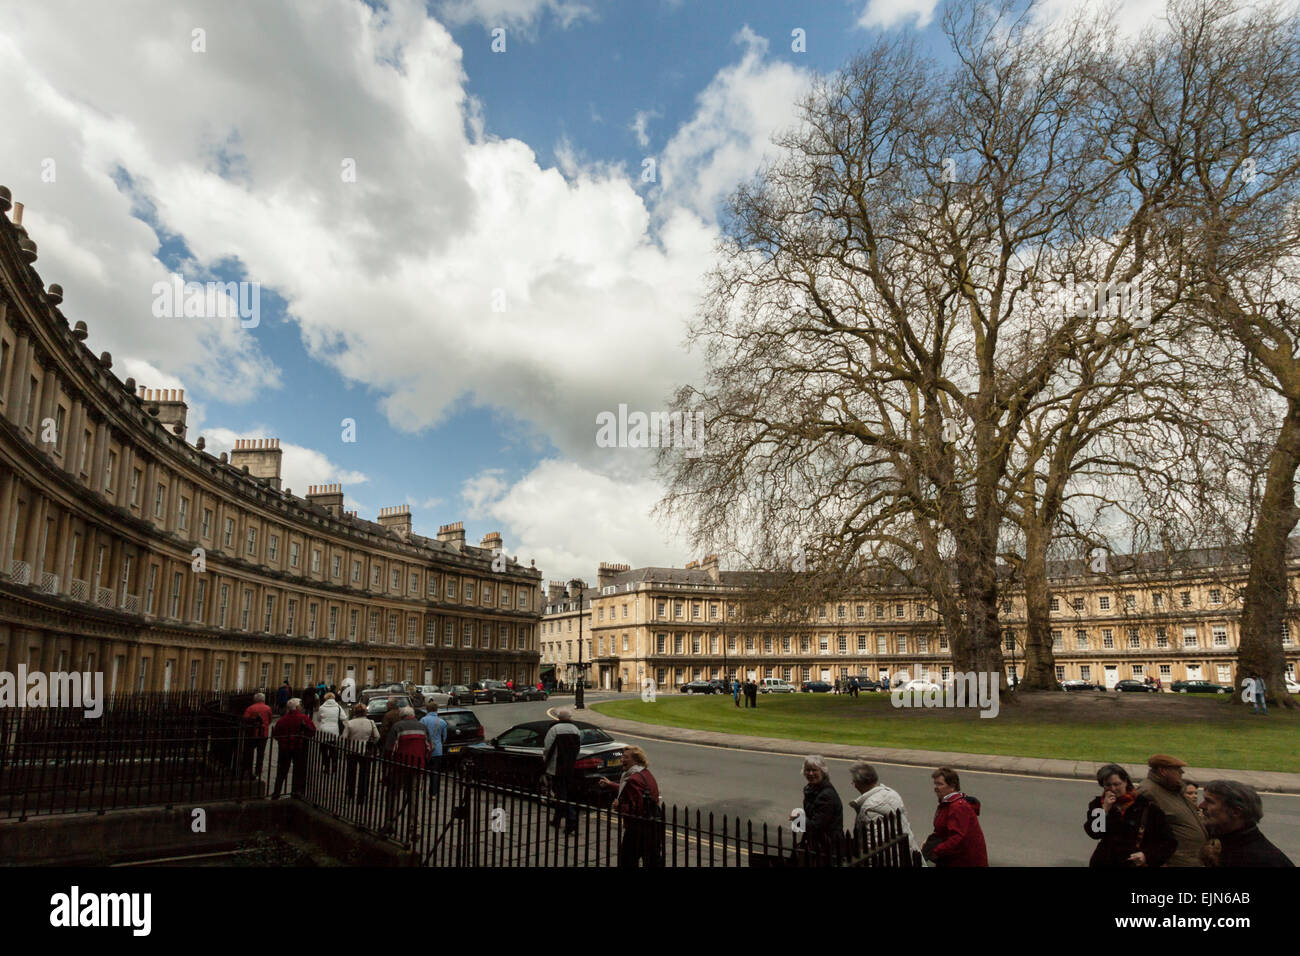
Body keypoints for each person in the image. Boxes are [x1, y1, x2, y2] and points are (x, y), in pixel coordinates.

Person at [1084, 763, 1176, 868]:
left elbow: (1169, 842)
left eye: (1116, 784)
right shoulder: (1098, 805)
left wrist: (1147, 856)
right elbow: (1095, 833)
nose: (1113, 789)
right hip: (1105, 862)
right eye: (1108, 785)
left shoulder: (1146, 806)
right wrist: (1104, 810)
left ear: (1126, 782)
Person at [1200, 780, 1294, 866]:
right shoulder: (1218, 843)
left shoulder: (1261, 860)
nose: (1201, 805)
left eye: (1209, 802)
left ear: (1236, 812)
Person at [1136, 754, 1207, 867]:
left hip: (1192, 859)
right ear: (1163, 771)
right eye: (1177, 769)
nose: (1182, 773)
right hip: (1175, 860)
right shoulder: (1149, 792)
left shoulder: (1174, 790)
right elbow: (1143, 832)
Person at [599, 744, 663, 867]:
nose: (622, 760)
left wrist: (619, 806)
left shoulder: (633, 779)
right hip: (653, 824)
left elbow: (637, 807)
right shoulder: (644, 773)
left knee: (627, 860)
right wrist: (611, 784)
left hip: (638, 828)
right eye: (622, 756)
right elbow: (630, 790)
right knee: (651, 860)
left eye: (626, 757)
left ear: (635, 760)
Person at [847, 761, 920, 861]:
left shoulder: (870, 808)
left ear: (859, 783)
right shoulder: (892, 793)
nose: (853, 784)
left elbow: (873, 846)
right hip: (908, 853)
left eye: (853, 781)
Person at [921, 767, 988, 866]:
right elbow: (943, 830)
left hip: (964, 861)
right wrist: (929, 841)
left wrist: (936, 851)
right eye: (935, 784)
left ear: (952, 786)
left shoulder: (958, 806)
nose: (935, 787)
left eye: (939, 784)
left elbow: (958, 837)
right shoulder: (948, 803)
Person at [382, 706, 431, 839]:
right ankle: (415, 829)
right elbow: (429, 747)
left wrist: (387, 767)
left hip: (399, 767)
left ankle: (390, 823)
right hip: (417, 767)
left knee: (393, 795)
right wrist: (424, 761)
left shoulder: (397, 727)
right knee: (415, 798)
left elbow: (390, 749)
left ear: (402, 716)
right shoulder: (422, 727)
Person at [789, 755, 843, 863]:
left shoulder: (826, 795)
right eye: (807, 770)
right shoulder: (812, 789)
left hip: (827, 848)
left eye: (814, 770)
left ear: (822, 771)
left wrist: (798, 819)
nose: (810, 774)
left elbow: (816, 825)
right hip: (817, 845)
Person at [542, 708, 582, 835]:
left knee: (561, 794)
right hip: (570, 766)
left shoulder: (554, 729)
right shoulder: (576, 730)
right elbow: (578, 748)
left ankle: (572, 820)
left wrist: (545, 762)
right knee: (563, 792)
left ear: (558, 717)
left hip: (556, 767)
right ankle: (556, 820)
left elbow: (547, 748)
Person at [271, 698, 316, 799]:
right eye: (300, 705)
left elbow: (276, 734)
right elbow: (312, 731)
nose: (301, 707)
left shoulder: (282, 720)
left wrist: (283, 741)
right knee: (298, 771)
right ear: (296, 707)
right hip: (299, 748)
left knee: (281, 772)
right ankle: (296, 792)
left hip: (284, 749)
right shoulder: (303, 718)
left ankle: (276, 792)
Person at [342, 702, 379, 804]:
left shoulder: (350, 723)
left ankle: (350, 792)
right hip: (365, 751)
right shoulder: (371, 722)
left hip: (352, 750)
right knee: (364, 774)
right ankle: (362, 795)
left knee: (351, 773)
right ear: (365, 712)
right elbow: (377, 736)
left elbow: (344, 737)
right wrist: (371, 743)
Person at [241, 692, 272, 778]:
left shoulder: (250, 708)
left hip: (252, 733)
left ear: (255, 700)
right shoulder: (268, 708)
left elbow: (245, 719)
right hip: (263, 733)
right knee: (261, 753)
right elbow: (269, 720)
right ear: (263, 699)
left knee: (249, 752)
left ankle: (248, 769)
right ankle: (258, 769)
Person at [420, 702, 449, 796]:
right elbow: (444, 738)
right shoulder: (442, 722)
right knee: (435, 772)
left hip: (425, 749)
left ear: (427, 709)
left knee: (423, 770)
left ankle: (421, 789)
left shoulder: (423, 720)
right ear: (436, 710)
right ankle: (433, 793)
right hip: (437, 750)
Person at [315, 692, 346, 775]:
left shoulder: (322, 707)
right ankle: (334, 765)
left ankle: (326, 766)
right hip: (334, 731)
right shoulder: (338, 707)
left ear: (325, 699)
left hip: (323, 731)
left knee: (324, 750)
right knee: (333, 750)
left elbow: (318, 718)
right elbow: (344, 717)